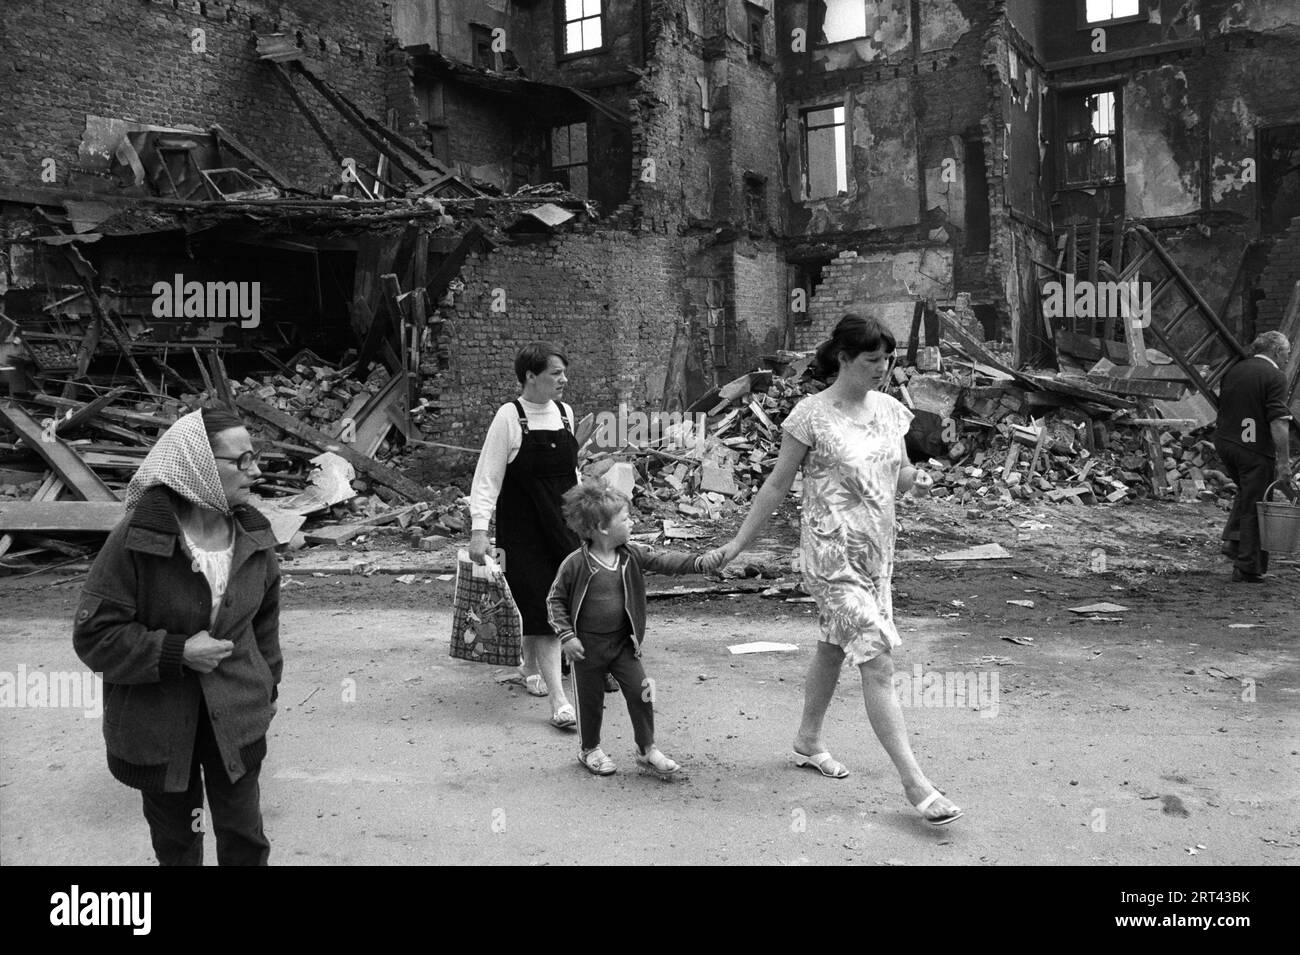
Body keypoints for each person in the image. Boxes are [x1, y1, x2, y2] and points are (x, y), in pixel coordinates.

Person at [700, 314, 962, 826]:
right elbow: (775, 487)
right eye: (872, 361)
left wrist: (917, 481)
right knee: (877, 659)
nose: (883, 370)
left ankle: (807, 739)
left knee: (832, 645)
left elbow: (898, 474)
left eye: (887, 360)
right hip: (828, 554)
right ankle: (918, 785)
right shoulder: (810, 416)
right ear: (843, 358)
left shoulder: (891, 411)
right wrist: (736, 545)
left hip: (876, 557)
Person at [73, 407, 281, 864]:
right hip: (158, 721)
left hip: (237, 713)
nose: (257, 471)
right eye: (241, 461)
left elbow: (264, 631)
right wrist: (176, 651)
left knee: (244, 837)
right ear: (200, 465)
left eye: (255, 458)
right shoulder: (139, 537)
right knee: (178, 843)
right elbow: (95, 635)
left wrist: (266, 691)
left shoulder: (253, 534)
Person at [547, 481, 702, 777]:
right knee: (590, 703)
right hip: (586, 650)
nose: (632, 523)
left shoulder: (630, 554)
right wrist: (566, 637)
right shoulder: (575, 564)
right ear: (602, 527)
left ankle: (646, 750)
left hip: (622, 645)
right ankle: (589, 749)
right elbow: (554, 600)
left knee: (642, 691)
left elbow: (664, 560)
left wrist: (699, 562)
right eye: (625, 519)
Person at [469, 342, 583, 729]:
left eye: (564, 373)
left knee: (558, 604)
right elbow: (487, 478)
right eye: (556, 373)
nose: (564, 380)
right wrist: (478, 531)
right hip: (524, 532)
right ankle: (560, 701)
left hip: (565, 528)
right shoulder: (509, 417)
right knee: (541, 607)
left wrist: (589, 520)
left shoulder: (566, 415)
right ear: (530, 376)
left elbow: (574, 476)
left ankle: (529, 667)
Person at [1213, 330, 1294, 582]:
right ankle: (1247, 565)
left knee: (1247, 494)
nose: (1287, 360)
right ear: (1276, 352)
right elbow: (1278, 422)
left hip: (1226, 443)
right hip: (1253, 448)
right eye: (1286, 354)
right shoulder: (1275, 376)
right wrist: (1283, 461)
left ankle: (1234, 541)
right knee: (1257, 502)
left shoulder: (1234, 370)